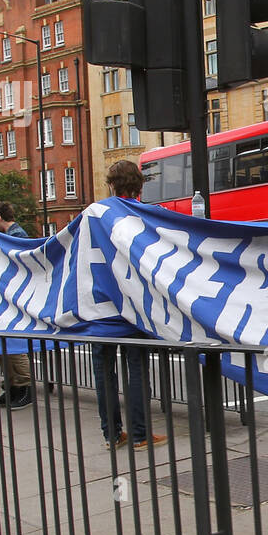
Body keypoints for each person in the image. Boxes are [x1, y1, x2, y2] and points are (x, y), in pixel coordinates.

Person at [93, 161, 166, 451]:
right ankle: (140, 434)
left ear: (110, 184)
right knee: (136, 367)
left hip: (99, 305)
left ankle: (112, 435)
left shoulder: (94, 215)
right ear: (140, 185)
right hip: (133, 305)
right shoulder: (147, 215)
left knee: (103, 370)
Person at [0, 202, 35, 409]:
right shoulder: (6, 235)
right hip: (3, 296)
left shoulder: (18, 236)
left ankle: (25, 387)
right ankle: (12, 387)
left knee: (14, 345)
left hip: (15, 297)